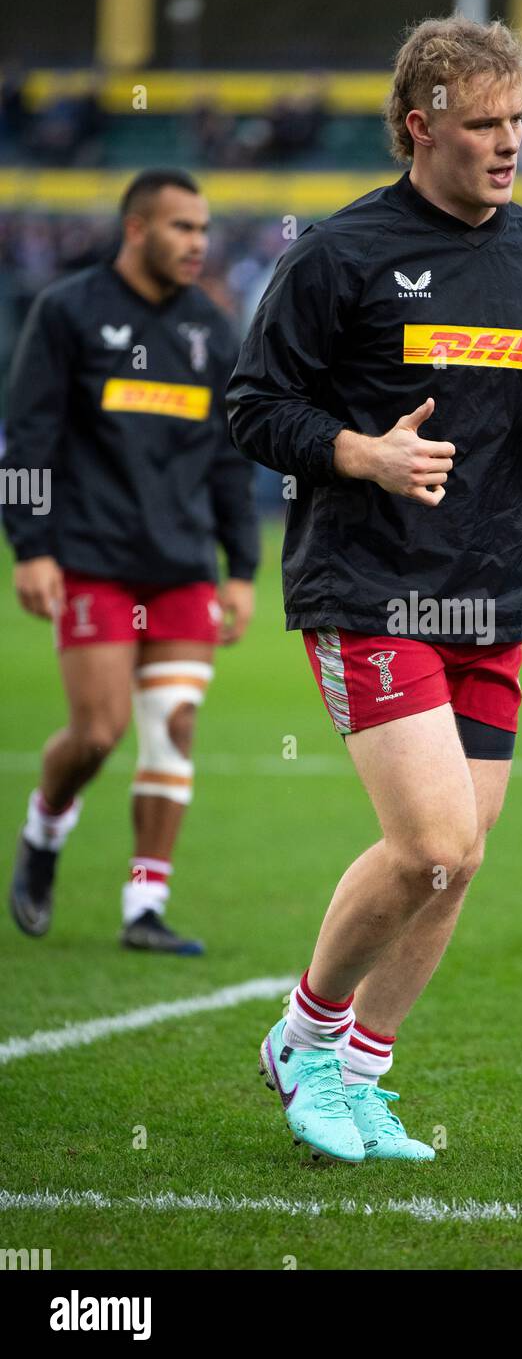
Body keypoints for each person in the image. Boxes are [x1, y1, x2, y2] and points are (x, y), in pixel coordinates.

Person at [228, 14, 522, 1162]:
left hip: (492, 595)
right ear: (421, 126)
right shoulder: (339, 255)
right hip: (369, 586)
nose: (509, 145)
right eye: (486, 124)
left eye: (520, 123)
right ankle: (306, 1037)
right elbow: (254, 405)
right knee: (434, 843)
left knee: (462, 857)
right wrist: (362, 452)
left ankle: (362, 1077)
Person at [3, 168, 259, 953]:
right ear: (138, 229)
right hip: (92, 559)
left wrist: (241, 568)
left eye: (205, 230)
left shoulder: (211, 330)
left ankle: (144, 906)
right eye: (182, 228)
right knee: (100, 731)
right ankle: (46, 830)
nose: (198, 244)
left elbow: (227, 457)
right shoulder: (68, 312)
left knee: (173, 724)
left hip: (182, 566)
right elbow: (28, 439)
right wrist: (32, 547)